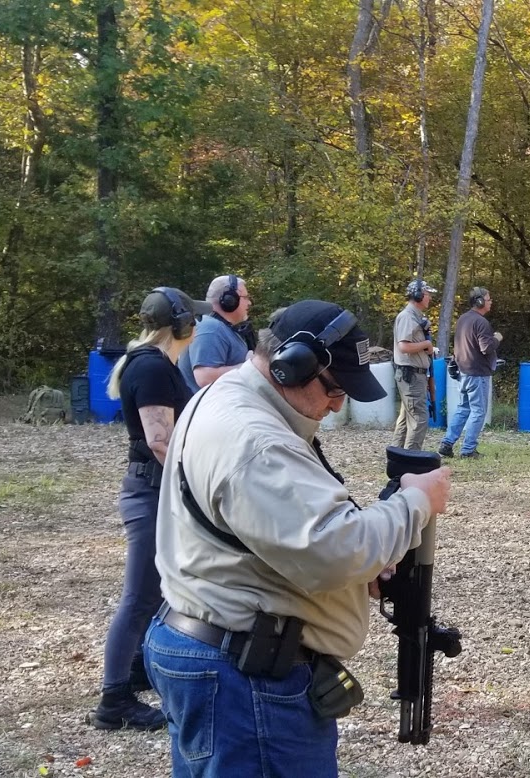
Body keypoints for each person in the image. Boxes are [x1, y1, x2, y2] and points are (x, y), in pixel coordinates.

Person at [144, 299, 453, 777]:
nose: (338, 404)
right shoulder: (255, 440)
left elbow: (280, 532)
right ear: (291, 366)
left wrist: (366, 563)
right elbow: (333, 550)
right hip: (246, 678)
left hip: (225, 658)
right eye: (334, 388)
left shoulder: (234, 400)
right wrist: (416, 502)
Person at [90, 286, 210, 731]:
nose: (197, 326)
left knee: (158, 590)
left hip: (155, 490)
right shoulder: (153, 367)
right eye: (193, 319)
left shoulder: (153, 362)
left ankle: (138, 667)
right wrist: (197, 481)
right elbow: (161, 441)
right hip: (152, 492)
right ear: (180, 325)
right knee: (139, 596)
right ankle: (113, 701)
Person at [438, 286, 501, 459]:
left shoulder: (463, 319)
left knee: (463, 408)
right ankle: (468, 450)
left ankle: (447, 444)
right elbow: (486, 347)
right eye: (488, 299)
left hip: (464, 371)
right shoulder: (481, 322)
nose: (491, 302)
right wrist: (497, 338)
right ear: (480, 302)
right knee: (478, 411)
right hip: (477, 373)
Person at [177, 274, 254, 391]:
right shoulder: (211, 328)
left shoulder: (221, 327)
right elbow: (205, 377)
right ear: (230, 300)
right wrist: (250, 366)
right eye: (246, 297)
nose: (249, 303)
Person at [392, 279, 439, 450]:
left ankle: (396, 455)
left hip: (414, 374)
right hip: (411, 375)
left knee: (406, 419)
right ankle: (410, 458)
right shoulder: (407, 317)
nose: (429, 298)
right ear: (418, 295)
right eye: (427, 294)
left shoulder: (415, 316)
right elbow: (404, 347)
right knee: (419, 419)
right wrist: (426, 345)